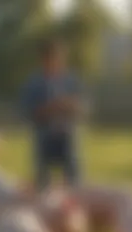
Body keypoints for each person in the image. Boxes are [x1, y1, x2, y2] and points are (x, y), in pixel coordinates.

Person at [21, 39, 86, 191]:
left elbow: (82, 107)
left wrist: (72, 105)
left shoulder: (71, 81)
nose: (55, 61)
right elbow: (28, 110)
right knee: (42, 181)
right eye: (50, 57)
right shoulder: (34, 83)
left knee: (74, 179)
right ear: (43, 59)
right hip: (44, 135)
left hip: (67, 135)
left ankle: (74, 204)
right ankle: (44, 204)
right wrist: (51, 107)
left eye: (59, 57)